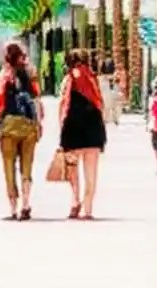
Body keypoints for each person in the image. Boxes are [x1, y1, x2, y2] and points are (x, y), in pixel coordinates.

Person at [0, 42, 43, 220]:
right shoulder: (31, 74)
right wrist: (38, 123)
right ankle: (26, 204)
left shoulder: (4, 76)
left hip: (9, 125)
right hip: (28, 125)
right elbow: (37, 100)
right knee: (27, 167)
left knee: (8, 167)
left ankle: (13, 208)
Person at [58, 49, 106, 220]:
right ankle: (88, 209)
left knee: (73, 170)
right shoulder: (93, 79)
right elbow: (100, 103)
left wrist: (61, 128)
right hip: (93, 130)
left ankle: (74, 200)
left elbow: (63, 104)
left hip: (72, 130)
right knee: (91, 172)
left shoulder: (68, 79)